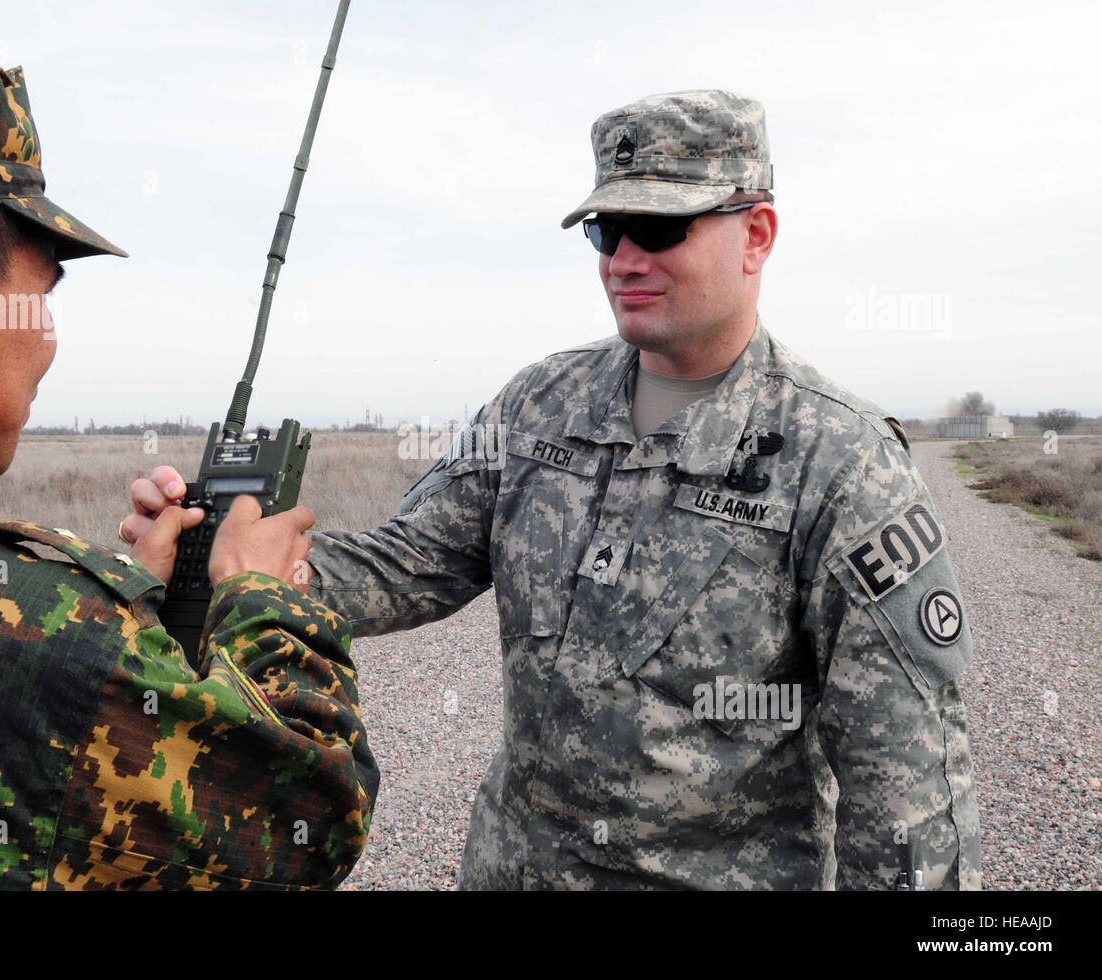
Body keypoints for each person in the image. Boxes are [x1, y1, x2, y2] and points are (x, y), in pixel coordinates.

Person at [301, 90, 981, 889]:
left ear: (756, 235)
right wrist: (225, 558)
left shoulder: (840, 460)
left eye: (659, 229)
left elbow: (903, 791)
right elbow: (407, 563)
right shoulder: (539, 403)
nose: (624, 259)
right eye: (607, 230)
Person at [0, 59, 377, 890]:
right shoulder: (28, 631)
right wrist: (260, 596)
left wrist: (120, 606)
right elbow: (310, 821)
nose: (46, 341)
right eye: (41, 298)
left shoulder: (47, 623)